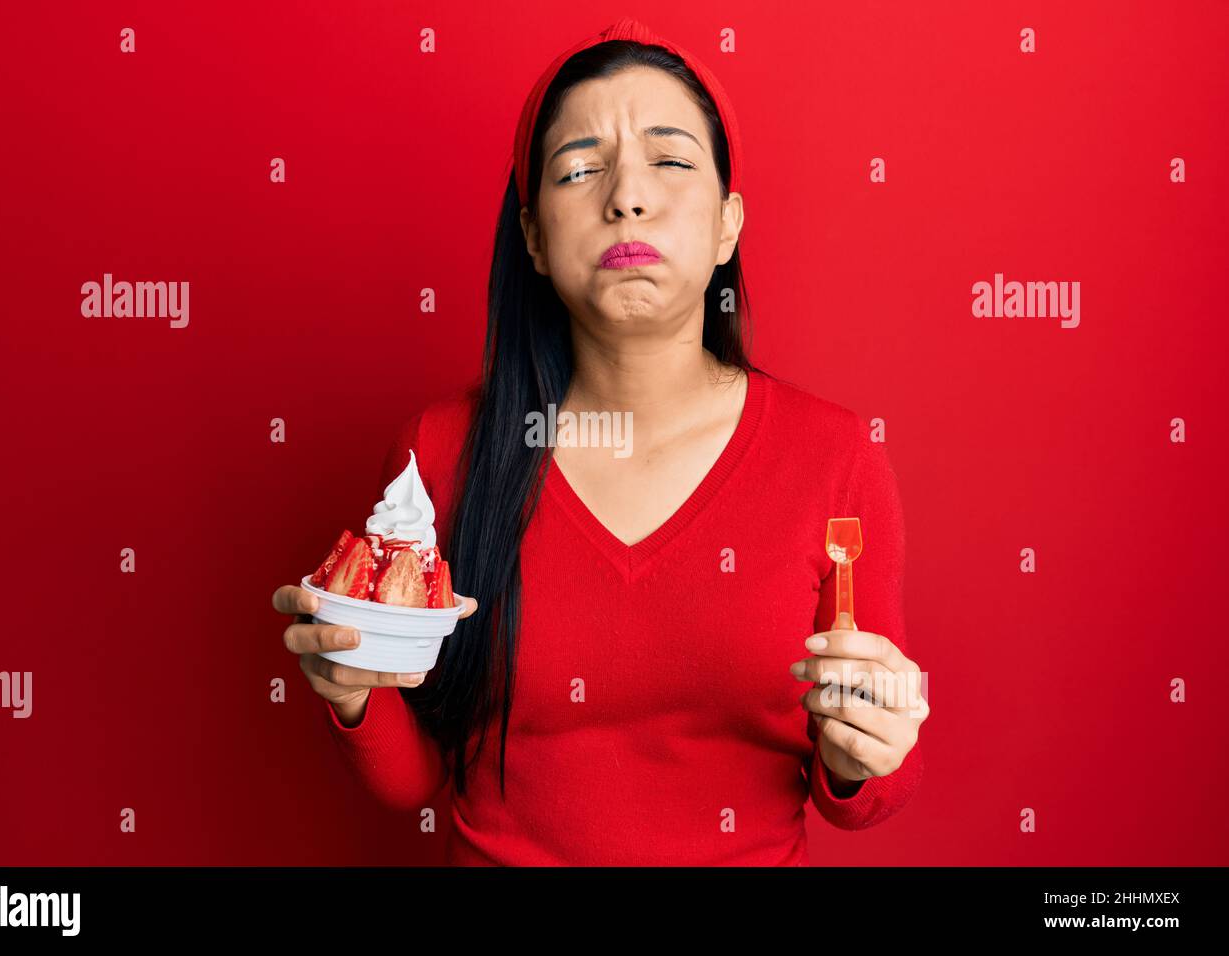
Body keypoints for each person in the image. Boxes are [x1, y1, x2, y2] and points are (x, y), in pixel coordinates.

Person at [272, 17, 928, 866]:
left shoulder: (837, 461)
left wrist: (863, 752)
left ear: (729, 224)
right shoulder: (440, 452)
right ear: (535, 238)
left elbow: (867, 792)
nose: (626, 194)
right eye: (580, 169)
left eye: (671, 159)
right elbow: (413, 782)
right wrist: (352, 694)